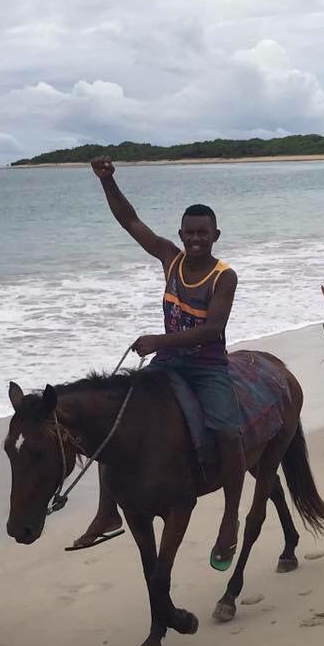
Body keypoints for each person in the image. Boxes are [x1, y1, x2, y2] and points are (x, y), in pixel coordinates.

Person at [73, 156, 245, 571]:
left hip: (206, 366)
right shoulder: (170, 258)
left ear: (216, 234)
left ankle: (230, 517)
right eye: (189, 233)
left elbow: (212, 329)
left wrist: (157, 340)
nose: (195, 239)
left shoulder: (225, 276)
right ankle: (106, 511)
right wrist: (107, 182)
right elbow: (130, 222)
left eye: (203, 233)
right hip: (167, 362)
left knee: (227, 430)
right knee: (117, 416)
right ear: (181, 234)